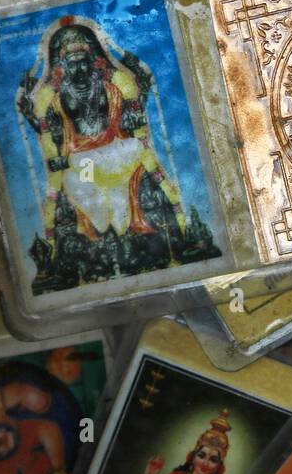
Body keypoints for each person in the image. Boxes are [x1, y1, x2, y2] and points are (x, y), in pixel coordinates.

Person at [17, 16, 207, 292]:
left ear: (93, 59)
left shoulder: (113, 85)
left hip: (120, 151)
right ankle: (99, 246)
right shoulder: (54, 98)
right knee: (78, 182)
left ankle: (148, 241)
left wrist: (132, 118)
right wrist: (30, 108)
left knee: (133, 169)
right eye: (72, 62)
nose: (79, 67)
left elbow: (135, 112)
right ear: (62, 67)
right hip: (81, 160)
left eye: (84, 60)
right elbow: (50, 134)